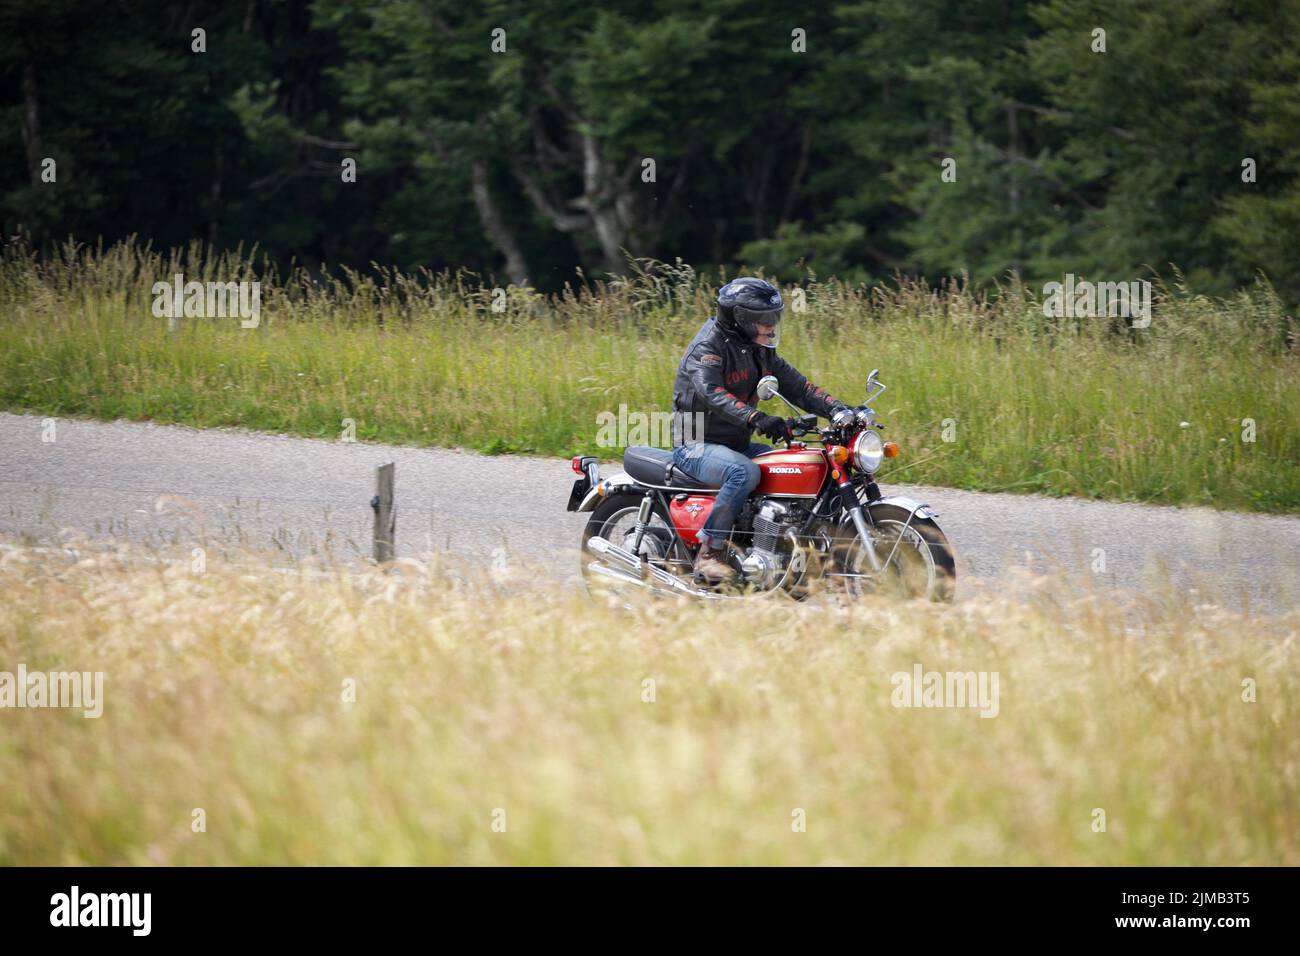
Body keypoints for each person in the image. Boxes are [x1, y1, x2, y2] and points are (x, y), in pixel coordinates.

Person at [670, 277, 852, 583]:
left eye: (774, 317)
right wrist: (756, 418)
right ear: (740, 319)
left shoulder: (758, 349)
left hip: (736, 443)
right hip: (695, 443)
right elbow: (712, 394)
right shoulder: (708, 348)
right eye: (764, 320)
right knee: (743, 473)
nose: (771, 325)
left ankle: (773, 548)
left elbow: (800, 388)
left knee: (792, 466)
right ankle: (711, 551)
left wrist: (840, 409)